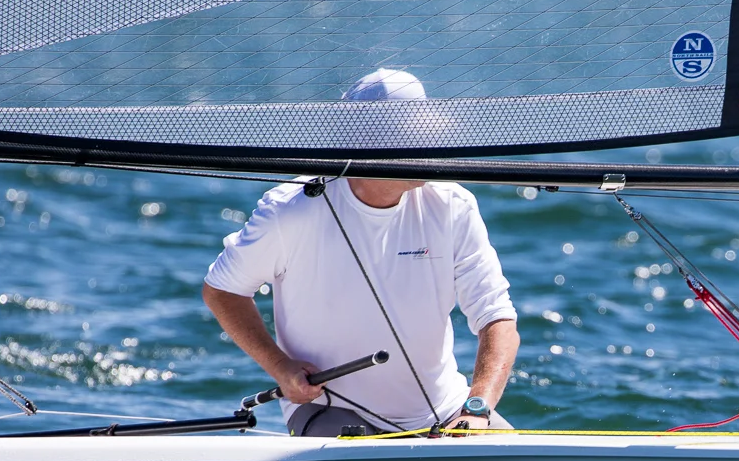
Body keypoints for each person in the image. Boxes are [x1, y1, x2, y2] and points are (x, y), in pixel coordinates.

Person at [201, 69, 520, 437]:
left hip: (451, 411)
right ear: (371, 142)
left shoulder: (453, 204)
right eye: (413, 134)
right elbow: (222, 290)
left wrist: (476, 407)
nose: (430, 145)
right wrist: (280, 367)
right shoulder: (288, 212)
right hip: (332, 410)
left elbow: (498, 320)